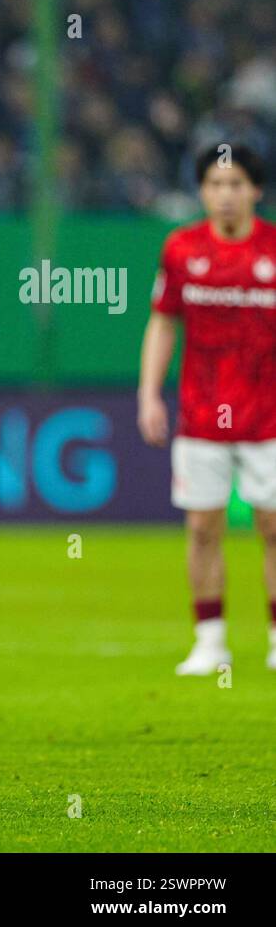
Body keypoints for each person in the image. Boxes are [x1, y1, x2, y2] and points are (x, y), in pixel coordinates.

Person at [138, 143, 276, 675]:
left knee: (271, 524)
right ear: (202, 192)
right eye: (216, 185)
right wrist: (150, 392)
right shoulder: (181, 249)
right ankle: (210, 640)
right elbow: (163, 320)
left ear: (255, 191)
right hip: (202, 411)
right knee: (202, 526)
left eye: (236, 185)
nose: (225, 195)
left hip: (268, 416)